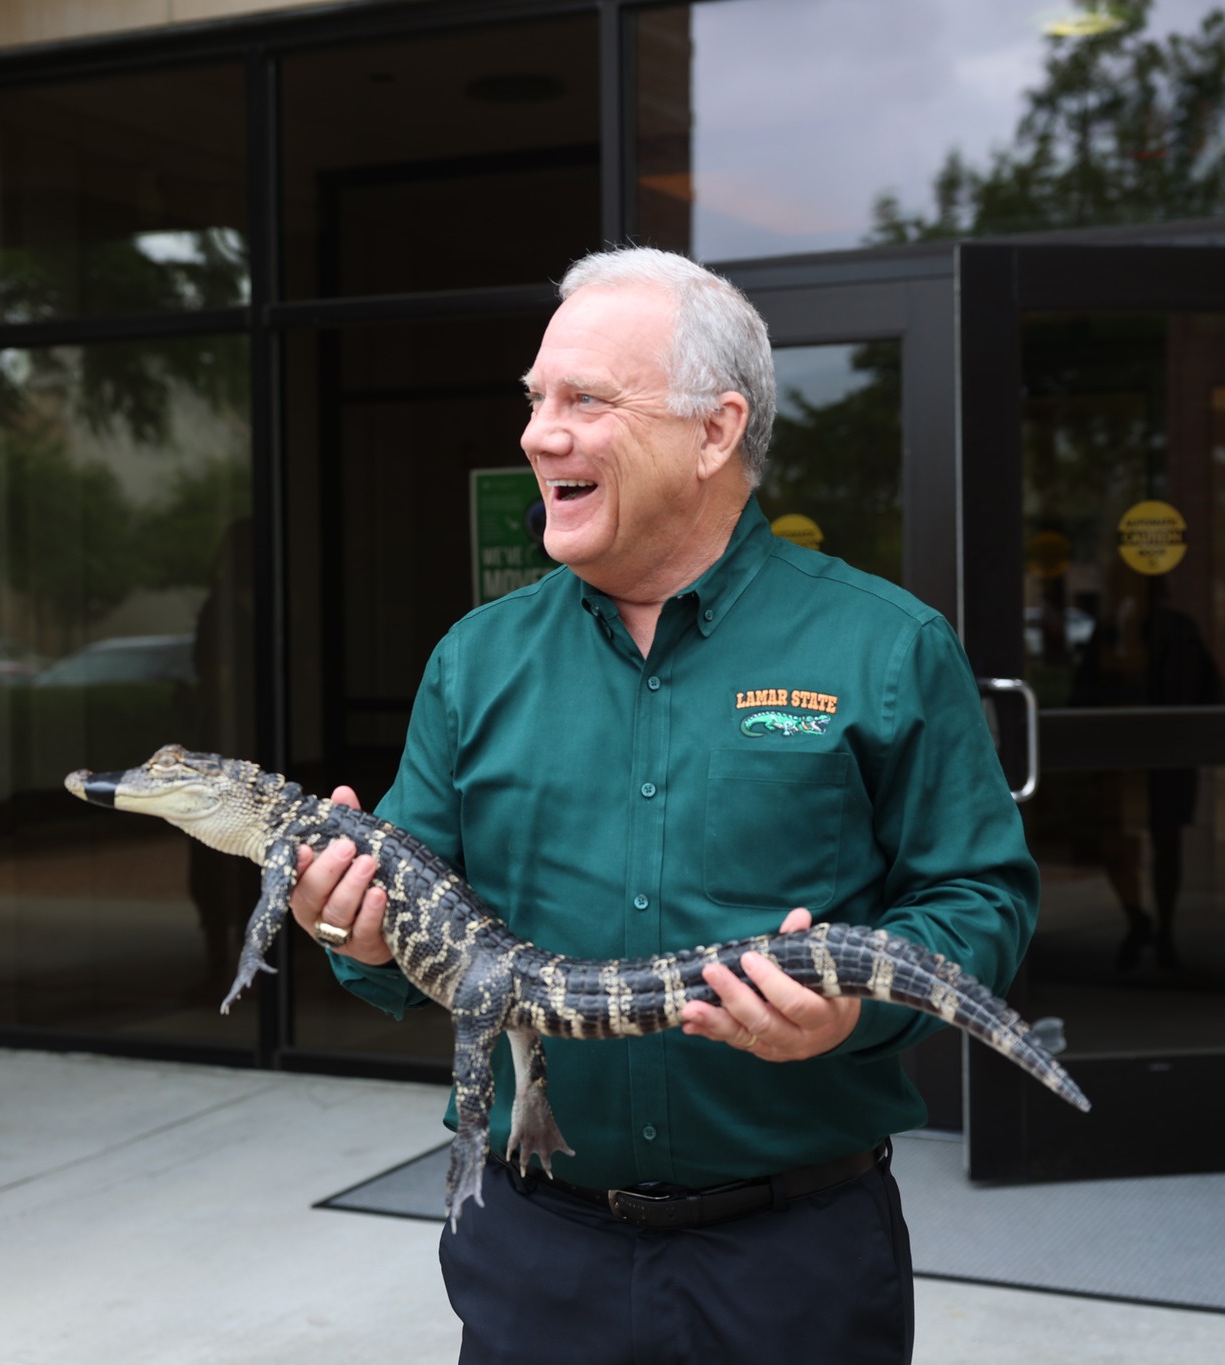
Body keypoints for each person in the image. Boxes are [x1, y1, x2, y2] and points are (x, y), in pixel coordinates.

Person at [289, 248, 1038, 1363]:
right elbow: (404, 922)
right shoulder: (474, 662)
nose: (541, 434)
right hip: (536, 1251)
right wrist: (347, 925)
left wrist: (855, 1009)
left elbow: (982, 902)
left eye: (585, 399)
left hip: (793, 1262)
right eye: (536, 400)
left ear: (713, 431)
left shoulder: (884, 647)